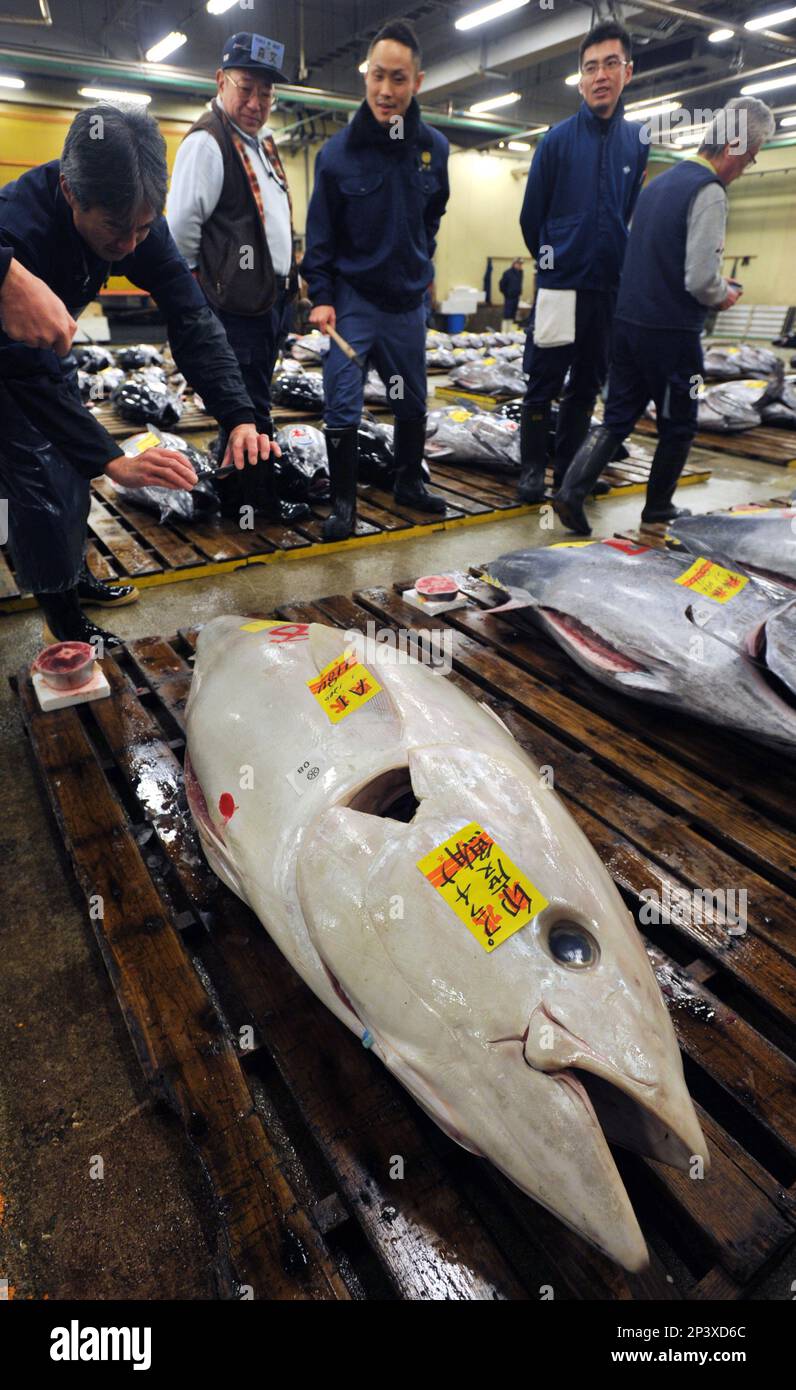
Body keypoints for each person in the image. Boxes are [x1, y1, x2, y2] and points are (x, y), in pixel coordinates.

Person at [0, 103, 276, 645]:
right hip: (7, 367)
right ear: (72, 193)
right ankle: (63, 618)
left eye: (143, 228)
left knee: (74, 480)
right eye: (115, 228)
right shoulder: (19, 222)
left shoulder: (138, 222)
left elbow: (190, 312)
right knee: (37, 483)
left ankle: (76, 575)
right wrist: (111, 458)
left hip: (47, 353)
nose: (129, 245)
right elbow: (24, 372)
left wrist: (238, 413)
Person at [553, 96, 775, 536]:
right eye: (748, 159)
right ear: (733, 145)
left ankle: (569, 491)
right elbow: (699, 278)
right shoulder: (708, 192)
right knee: (679, 424)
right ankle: (658, 508)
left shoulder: (659, 185)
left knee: (618, 416)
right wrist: (723, 294)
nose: (744, 168)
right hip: (673, 335)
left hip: (629, 325)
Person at [302, 17, 450, 540]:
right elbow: (319, 235)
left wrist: (419, 262)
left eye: (399, 79)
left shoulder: (434, 149)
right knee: (342, 399)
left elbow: (434, 215)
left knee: (411, 398)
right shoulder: (337, 155)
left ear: (418, 82)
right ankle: (343, 504)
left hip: (407, 302)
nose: (387, 91)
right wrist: (320, 296)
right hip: (353, 301)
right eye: (378, 77)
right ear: (366, 76)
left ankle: (407, 482)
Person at [167, 31, 308, 525]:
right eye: (246, 88)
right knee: (247, 408)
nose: (256, 102)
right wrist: (195, 302)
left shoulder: (261, 144)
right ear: (221, 81)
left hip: (265, 304)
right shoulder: (208, 141)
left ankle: (237, 495)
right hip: (232, 308)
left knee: (249, 402)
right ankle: (254, 506)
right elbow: (182, 228)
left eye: (265, 93)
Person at [516, 19, 648, 504]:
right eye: (590, 67)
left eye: (610, 64)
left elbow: (626, 211)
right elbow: (532, 219)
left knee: (586, 386)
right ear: (580, 77)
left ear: (627, 72)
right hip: (559, 288)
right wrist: (554, 265)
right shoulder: (555, 141)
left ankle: (568, 473)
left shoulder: (638, 141)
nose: (600, 76)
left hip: (606, 289)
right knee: (542, 383)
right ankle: (532, 469)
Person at [498, 259, 523, 330]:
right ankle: (505, 331)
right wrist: (507, 293)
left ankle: (511, 332)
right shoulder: (507, 273)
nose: (520, 266)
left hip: (516, 297)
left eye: (521, 264)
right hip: (509, 297)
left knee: (513, 314)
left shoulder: (520, 273)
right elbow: (501, 284)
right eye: (519, 264)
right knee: (507, 314)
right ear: (514, 264)